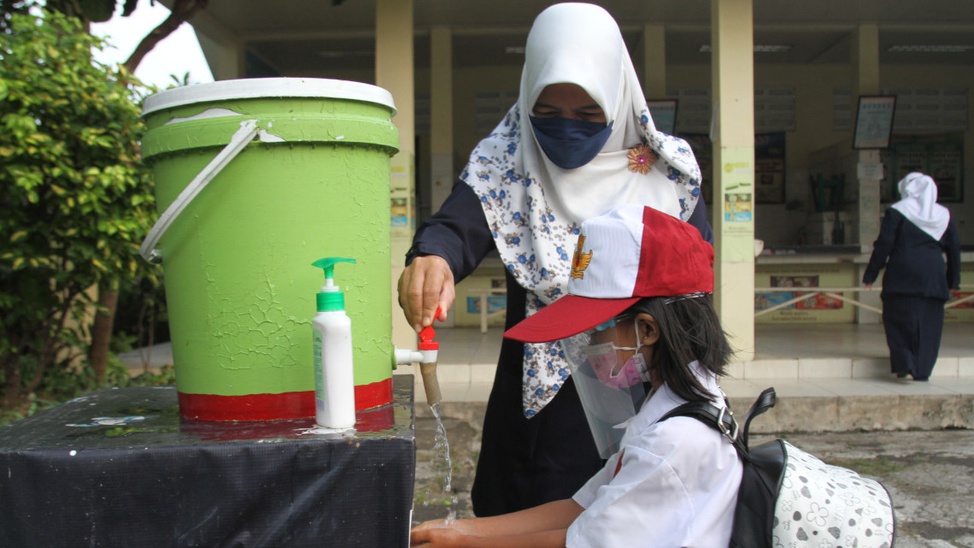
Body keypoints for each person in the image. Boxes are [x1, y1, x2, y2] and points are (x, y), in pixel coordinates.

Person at [398, 2, 711, 516]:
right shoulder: (508, 159)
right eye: (547, 113)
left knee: (619, 513)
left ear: (616, 98)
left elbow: (698, 290)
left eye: (588, 115)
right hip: (531, 387)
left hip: (636, 384)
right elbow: (456, 226)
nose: (566, 129)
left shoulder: (667, 176)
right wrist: (433, 257)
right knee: (519, 507)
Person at [411, 204, 739, 547]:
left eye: (596, 329)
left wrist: (461, 544)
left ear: (647, 329)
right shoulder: (670, 404)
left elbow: (579, 542)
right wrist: (456, 530)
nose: (589, 347)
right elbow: (581, 506)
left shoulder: (674, 441)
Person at [862, 172, 961, 381]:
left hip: (902, 275)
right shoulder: (944, 215)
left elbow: (884, 244)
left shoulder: (897, 212)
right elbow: (953, 251)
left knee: (898, 319)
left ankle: (904, 362)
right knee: (929, 325)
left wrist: (871, 273)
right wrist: (953, 281)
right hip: (933, 278)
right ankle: (922, 370)